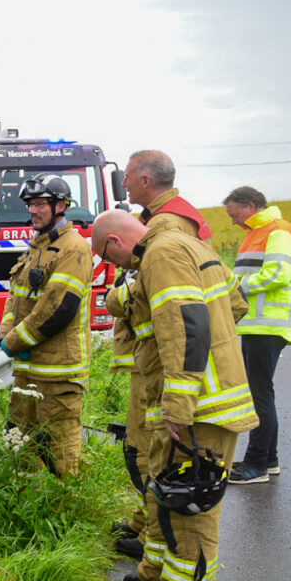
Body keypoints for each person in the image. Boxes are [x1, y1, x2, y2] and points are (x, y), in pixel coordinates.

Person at [90, 209, 258, 581]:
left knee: (190, 505)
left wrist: (180, 404)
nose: (119, 269)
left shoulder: (160, 255)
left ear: (114, 243)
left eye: (111, 260)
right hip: (195, 400)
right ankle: (160, 574)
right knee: (164, 492)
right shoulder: (188, 244)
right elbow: (235, 305)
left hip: (198, 406)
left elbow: (186, 325)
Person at [111, 150, 216, 555]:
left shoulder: (168, 228)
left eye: (129, 177)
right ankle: (146, 528)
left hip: (161, 365)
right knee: (144, 452)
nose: (124, 183)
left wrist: (119, 298)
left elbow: (179, 313)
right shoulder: (164, 221)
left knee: (151, 456)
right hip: (151, 361)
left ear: (147, 180)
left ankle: (152, 541)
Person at [0, 174, 93, 477]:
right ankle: (29, 506)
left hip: (58, 373)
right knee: (20, 444)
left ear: (61, 206)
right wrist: (5, 333)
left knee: (59, 451)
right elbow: (16, 298)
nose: (33, 211)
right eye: (31, 204)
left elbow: (57, 309)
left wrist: (14, 343)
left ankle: (65, 514)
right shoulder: (35, 248)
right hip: (28, 372)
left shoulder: (73, 249)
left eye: (40, 204)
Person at [223, 186, 291, 484]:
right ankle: (267, 460)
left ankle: (257, 464)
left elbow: (278, 275)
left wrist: (231, 288)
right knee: (261, 392)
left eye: (235, 214)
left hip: (269, 324)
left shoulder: (279, 231)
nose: (233, 221)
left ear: (251, 205)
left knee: (259, 395)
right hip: (260, 324)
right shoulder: (256, 232)